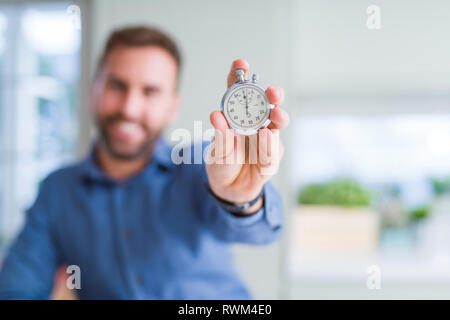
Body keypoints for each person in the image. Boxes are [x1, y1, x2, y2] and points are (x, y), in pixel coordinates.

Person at [0, 26, 289, 299]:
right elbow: (17, 289)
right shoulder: (57, 192)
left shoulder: (204, 164)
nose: (129, 108)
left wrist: (240, 199)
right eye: (117, 86)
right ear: (94, 91)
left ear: (172, 106)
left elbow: (259, 233)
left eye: (150, 91)